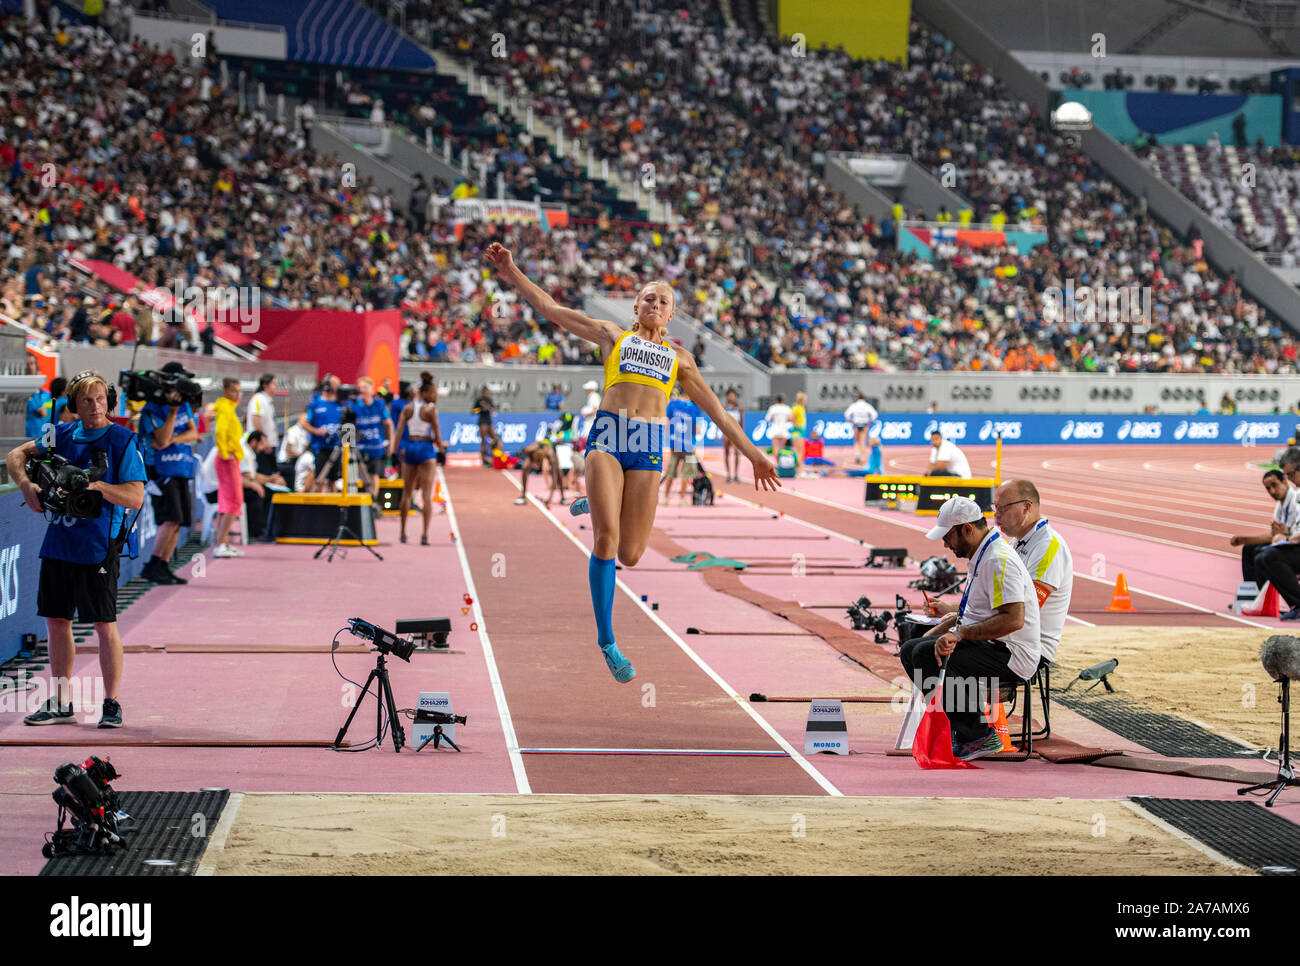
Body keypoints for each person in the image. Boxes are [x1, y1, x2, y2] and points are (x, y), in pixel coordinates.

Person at [485, 241, 779, 684]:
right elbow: (550, 308)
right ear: (637, 307)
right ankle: (607, 640)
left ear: (671, 315)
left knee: (632, 554)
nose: (656, 304)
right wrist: (511, 271)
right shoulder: (612, 336)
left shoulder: (681, 360)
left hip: (648, 444)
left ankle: (605, 501)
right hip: (609, 435)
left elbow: (718, 413)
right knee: (606, 542)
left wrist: (754, 455)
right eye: (649, 298)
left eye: (665, 301)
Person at [7, 371, 146, 728]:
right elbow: (15, 455)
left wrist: (98, 486)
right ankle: (61, 701)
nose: (96, 406)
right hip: (59, 542)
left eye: (101, 399)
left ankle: (111, 702)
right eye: (87, 400)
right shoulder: (61, 434)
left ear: (109, 401)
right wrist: (26, 486)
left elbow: (135, 496)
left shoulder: (122, 440)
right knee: (56, 621)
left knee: (104, 624)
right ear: (74, 405)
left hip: (99, 546)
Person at [902, 496, 1041, 761]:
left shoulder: (997, 560)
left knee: (924, 654)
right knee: (912, 648)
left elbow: (1013, 619)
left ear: (967, 529)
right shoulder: (982, 555)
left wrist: (959, 633)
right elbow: (974, 613)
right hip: (992, 644)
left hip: (1011, 652)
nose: (945, 544)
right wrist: (943, 625)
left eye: (948, 537)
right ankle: (964, 729)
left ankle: (977, 736)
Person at [991, 479, 1073, 665]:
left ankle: (964, 695)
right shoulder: (1018, 543)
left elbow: (1028, 607)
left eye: (1002, 508)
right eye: (995, 507)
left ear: (1026, 507)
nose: (996, 516)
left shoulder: (1049, 546)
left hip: (1026, 650)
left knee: (935, 650)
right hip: (1006, 639)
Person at [137, 362, 200, 585]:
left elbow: (194, 433)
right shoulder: (152, 408)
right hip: (160, 469)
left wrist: (173, 439)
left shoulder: (185, 405)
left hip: (181, 466)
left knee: (178, 520)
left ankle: (164, 565)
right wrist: (172, 413)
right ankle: (154, 564)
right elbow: (160, 441)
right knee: (169, 518)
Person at [1230, 469, 1300, 609]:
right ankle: (1255, 599)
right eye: (1268, 488)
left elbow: (1290, 534)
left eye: (1275, 485)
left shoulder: (1295, 501)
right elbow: (1274, 536)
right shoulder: (1280, 505)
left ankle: (1292, 603)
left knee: (1264, 555)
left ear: (1285, 482)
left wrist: (1285, 535)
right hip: (1290, 543)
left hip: (1295, 545)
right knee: (1249, 550)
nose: (1272, 491)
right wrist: (1245, 540)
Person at [394, 372, 444, 544]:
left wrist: (394, 453)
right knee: (427, 494)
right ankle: (424, 535)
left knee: (407, 494)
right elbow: (437, 434)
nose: (436, 396)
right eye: (434, 393)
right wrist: (442, 451)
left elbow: (399, 431)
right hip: (425, 449)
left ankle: (402, 532)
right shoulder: (430, 410)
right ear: (426, 393)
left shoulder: (408, 408)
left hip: (410, 447)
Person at [211, 378, 245, 557]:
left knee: (228, 502)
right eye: (234, 391)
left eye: (240, 392)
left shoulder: (229, 408)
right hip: (226, 460)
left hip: (230, 459)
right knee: (233, 501)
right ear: (226, 392)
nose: (237, 395)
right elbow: (219, 432)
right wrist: (225, 453)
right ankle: (220, 544)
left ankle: (222, 543)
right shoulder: (224, 407)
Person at [352, 376, 395, 499]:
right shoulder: (354, 406)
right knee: (358, 475)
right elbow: (347, 425)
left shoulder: (379, 405)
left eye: (365, 387)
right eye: (360, 388)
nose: (362, 390)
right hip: (359, 448)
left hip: (376, 448)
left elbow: (389, 424)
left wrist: (391, 444)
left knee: (374, 476)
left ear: (371, 389)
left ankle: (372, 502)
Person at [240, 430, 286, 539]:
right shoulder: (245, 453)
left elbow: (253, 475)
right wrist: (271, 479)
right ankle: (258, 531)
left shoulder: (249, 452)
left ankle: (268, 528)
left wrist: (272, 479)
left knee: (267, 491)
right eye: (261, 444)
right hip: (227, 488)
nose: (262, 448)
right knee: (258, 493)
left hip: (241, 483)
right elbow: (249, 477)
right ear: (254, 441)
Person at [661, 386, 703, 506]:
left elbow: (667, 424)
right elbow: (695, 429)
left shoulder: (673, 405)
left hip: (675, 444)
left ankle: (665, 498)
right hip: (689, 447)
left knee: (670, 472)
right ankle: (682, 499)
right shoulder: (694, 408)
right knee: (687, 473)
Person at [300, 379, 341, 493]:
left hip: (337, 446)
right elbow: (304, 423)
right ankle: (319, 505)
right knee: (320, 478)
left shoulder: (340, 404)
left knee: (334, 480)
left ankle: (335, 506)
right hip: (321, 447)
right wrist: (316, 431)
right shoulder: (314, 405)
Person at [245, 373, 279, 453]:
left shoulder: (267, 400)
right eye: (273, 383)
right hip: (261, 446)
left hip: (269, 444)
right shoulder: (258, 399)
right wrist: (264, 441)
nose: (276, 386)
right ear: (265, 385)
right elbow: (256, 421)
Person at [844, 391, 878, 466]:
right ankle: (862, 457)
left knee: (856, 441)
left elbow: (846, 414)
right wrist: (870, 421)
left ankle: (857, 455)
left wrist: (851, 421)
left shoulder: (854, 405)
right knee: (863, 441)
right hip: (864, 424)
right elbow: (875, 414)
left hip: (856, 424)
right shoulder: (867, 405)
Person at [473, 385, 503, 466]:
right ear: (483, 392)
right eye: (485, 392)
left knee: (495, 439)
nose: (486, 393)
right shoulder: (479, 400)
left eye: (487, 392)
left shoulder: (489, 400)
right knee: (483, 441)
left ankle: (495, 457)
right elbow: (473, 411)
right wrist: (481, 409)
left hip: (489, 421)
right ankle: (484, 459)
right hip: (482, 421)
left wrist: (490, 409)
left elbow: (493, 410)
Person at [24, 354, 51, 441]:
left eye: (32, 363)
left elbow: (46, 414)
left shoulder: (46, 395)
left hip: (40, 442)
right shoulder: (16, 393)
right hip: (21, 439)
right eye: (26, 364)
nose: (29, 367)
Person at [722, 388, 744, 483]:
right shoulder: (724, 407)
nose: (732, 397)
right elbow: (720, 420)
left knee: (736, 452)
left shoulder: (739, 408)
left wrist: (742, 433)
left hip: (736, 432)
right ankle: (728, 474)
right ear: (727, 396)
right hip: (726, 432)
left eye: (733, 395)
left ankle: (735, 474)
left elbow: (742, 421)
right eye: (730, 395)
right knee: (726, 453)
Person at [765, 394, 793, 459]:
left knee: (775, 447)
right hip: (784, 428)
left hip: (775, 428)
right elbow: (791, 418)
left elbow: (767, 419)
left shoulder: (773, 408)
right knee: (783, 447)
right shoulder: (787, 408)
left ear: (776, 400)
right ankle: (781, 463)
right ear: (783, 400)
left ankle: (777, 462)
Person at [791, 390, 810, 477]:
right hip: (798, 432)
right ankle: (799, 470)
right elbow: (791, 417)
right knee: (799, 451)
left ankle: (799, 469)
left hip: (801, 432)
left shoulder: (801, 408)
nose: (806, 401)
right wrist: (796, 425)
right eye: (805, 399)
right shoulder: (796, 407)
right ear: (802, 400)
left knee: (801, 451)